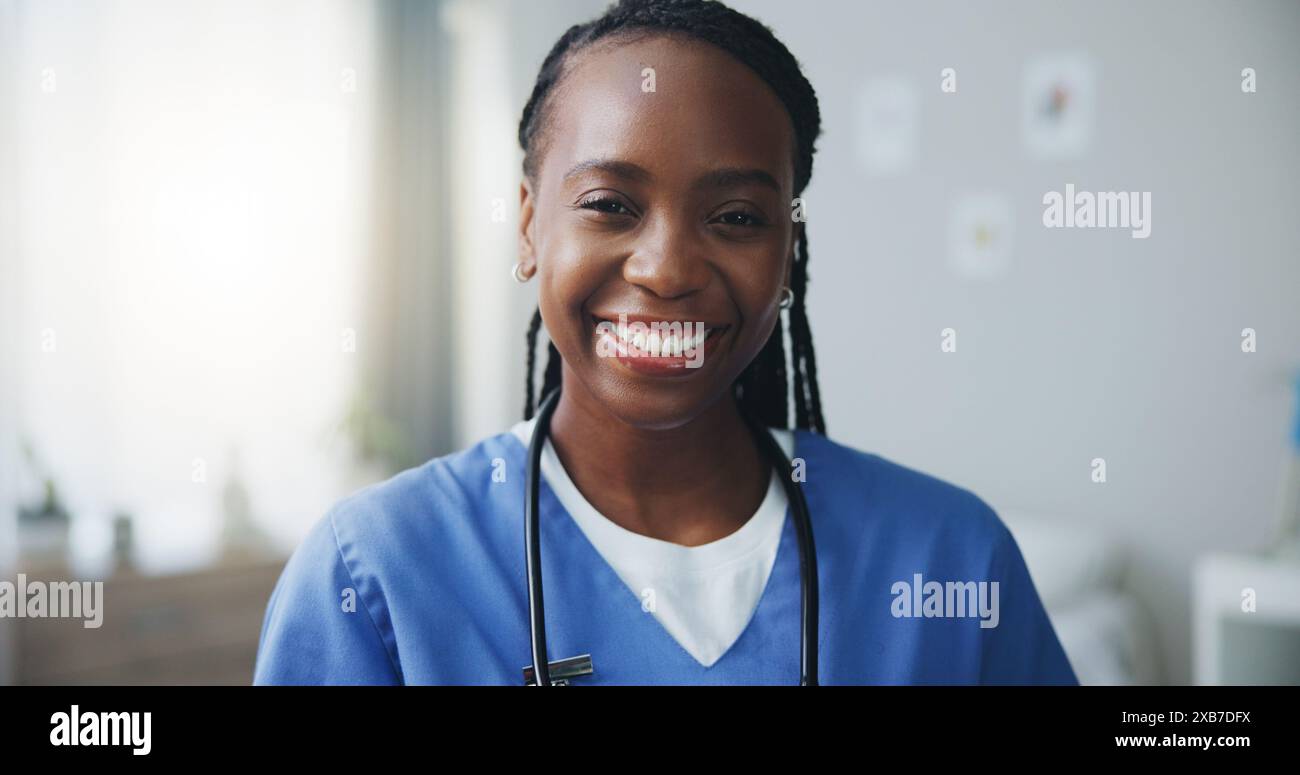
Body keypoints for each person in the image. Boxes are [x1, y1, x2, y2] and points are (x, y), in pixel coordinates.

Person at [253, 0, 1078, 686]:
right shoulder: (373, 574)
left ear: (786, 251)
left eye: (736, 217)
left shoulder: (952, 557)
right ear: (531, 223)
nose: (668, 267)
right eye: (611, 203)